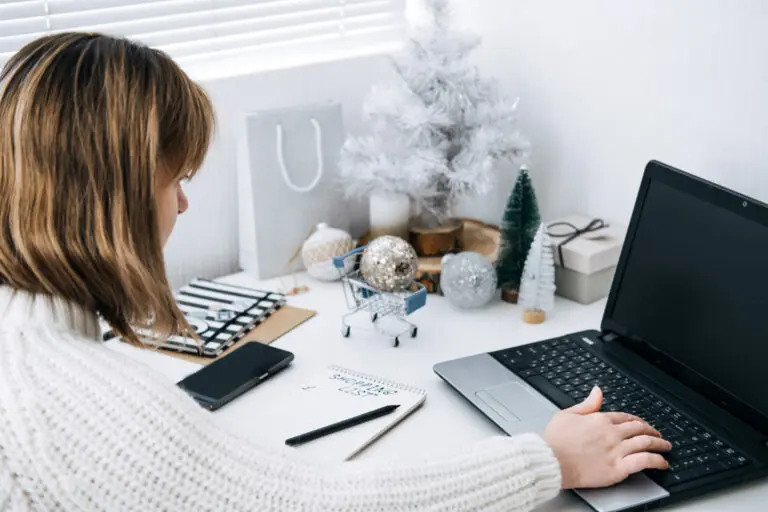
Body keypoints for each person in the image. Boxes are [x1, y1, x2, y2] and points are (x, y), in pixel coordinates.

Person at [0, 33, 671, 511]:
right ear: (105, 197)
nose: (181, 203)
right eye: (174, 178)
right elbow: (323, 504)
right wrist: (546, 460)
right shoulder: (76, 405)